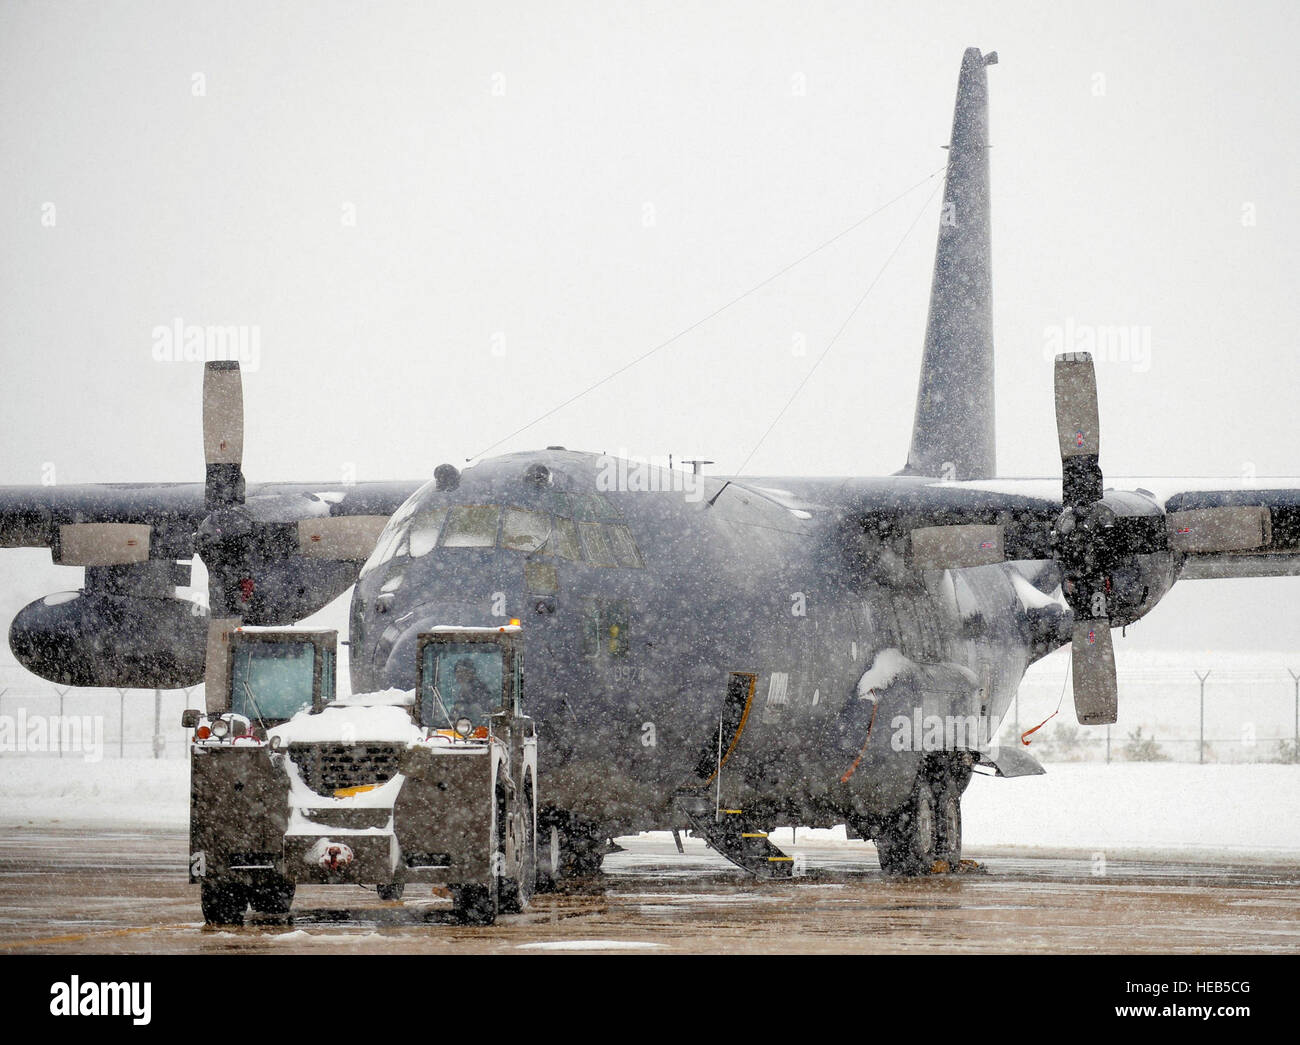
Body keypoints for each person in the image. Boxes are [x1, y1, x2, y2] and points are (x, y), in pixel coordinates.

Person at [452, 659, 495, 725]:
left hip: (478, 728)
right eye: (458, 672)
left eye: (464, 672)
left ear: (472, 673)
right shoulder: (455, 689)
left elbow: (484, 712)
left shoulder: (481, 688)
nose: (460, 675)